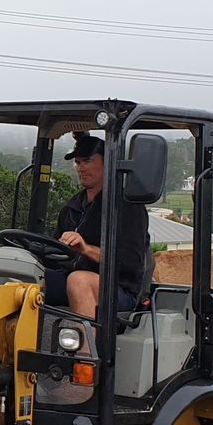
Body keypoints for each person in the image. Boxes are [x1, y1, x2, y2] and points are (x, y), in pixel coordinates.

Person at [45, 134, 151, 318]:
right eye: (78, 163)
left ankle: (86, 346)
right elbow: (54, 253)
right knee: (21, 278)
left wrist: (85, 249)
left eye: (87, 161)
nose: (81, 168)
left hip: (118, 290)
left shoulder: (126, 207)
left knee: (79, 280)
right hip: (70, 278)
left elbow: (129, 262)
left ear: (107, 163)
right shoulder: (72, 208)